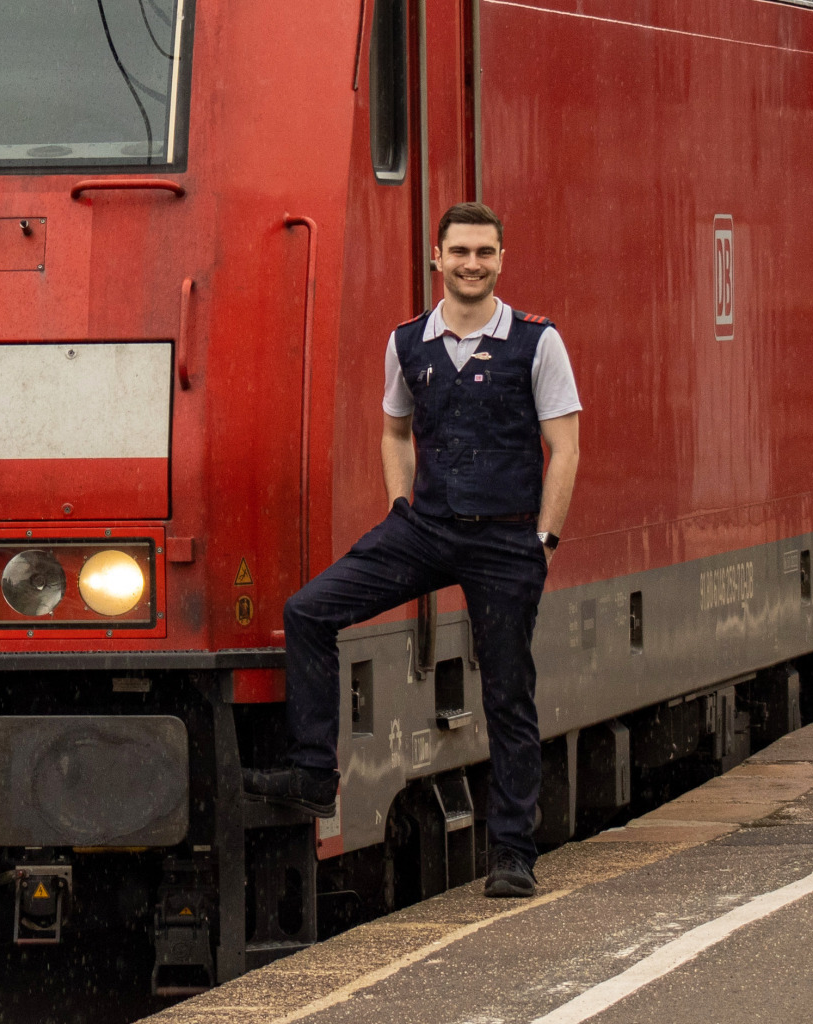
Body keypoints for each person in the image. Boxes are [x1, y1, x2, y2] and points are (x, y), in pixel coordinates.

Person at [243, 202, 581, 898]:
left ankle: (513, 854)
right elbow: (393, 431)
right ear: (437, 258)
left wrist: (543, 541)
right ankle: (313, 772)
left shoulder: (536, 341)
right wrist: (400, 506)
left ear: (500, 261)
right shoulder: (407, 343)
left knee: (509, 694)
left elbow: (566, 447)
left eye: (485, 252)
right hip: (426, 528)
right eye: (460, 251)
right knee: (309, 611)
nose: (472, 264)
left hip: (505, 537)